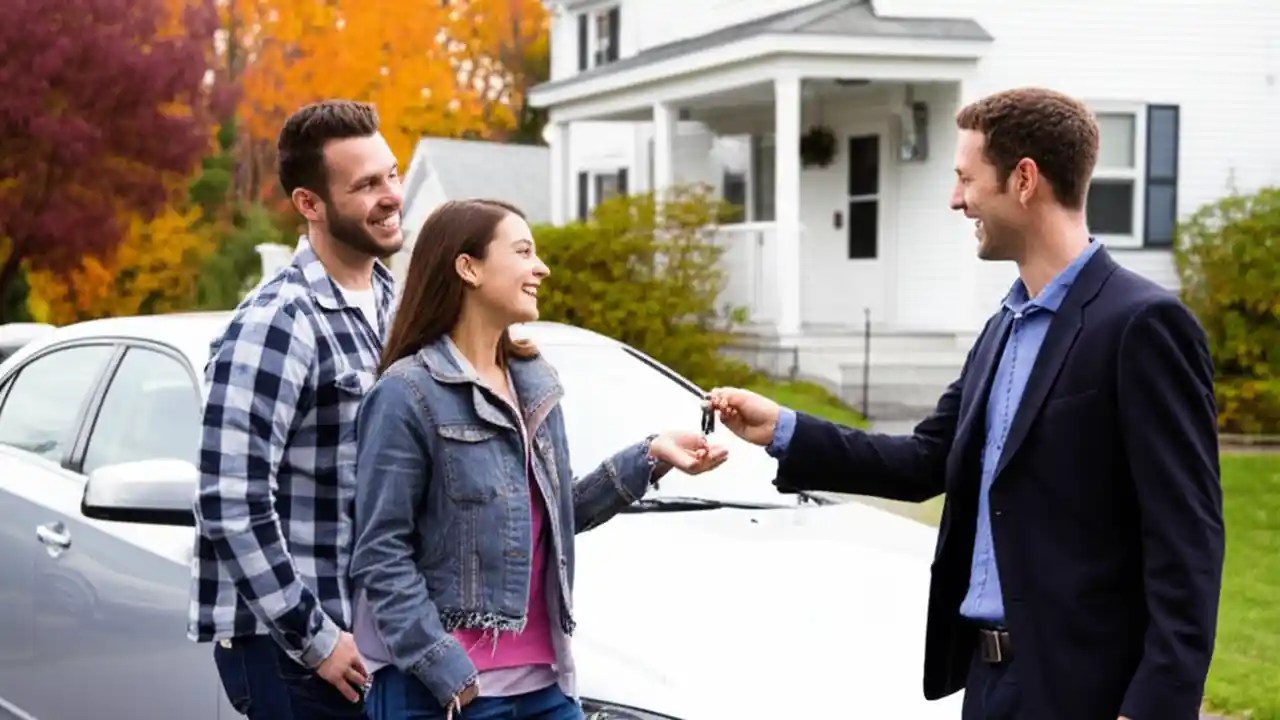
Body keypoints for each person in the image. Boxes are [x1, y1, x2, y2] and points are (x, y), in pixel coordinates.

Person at [706, 87, 1224, 720]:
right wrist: (783, 428)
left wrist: (1155, 708)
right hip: (989, 684)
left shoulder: (1142, 324)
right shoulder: (1003, 325)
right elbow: (928, 459)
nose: (956, 199)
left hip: (1086, 692)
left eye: (965, 178)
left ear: (1024, 179)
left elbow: (1187, 539)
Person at [348, 198, 729, 719]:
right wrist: (446, 671)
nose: (541, 268)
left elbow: (555, 511)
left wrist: (651, 456)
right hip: (442, 693)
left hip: (543, 688)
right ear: (469, 267)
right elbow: (379, 552)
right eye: (523, 251)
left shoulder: (534, 383)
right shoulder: (406, 393)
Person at [189, 99, 404, 718]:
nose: (391, 195)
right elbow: (229, 500)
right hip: (297, 652)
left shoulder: (392, 300)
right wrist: (316, 641)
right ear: (309, 203)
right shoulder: (279, 321)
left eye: (392, 173)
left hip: (373, 641)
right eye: (366, 184)